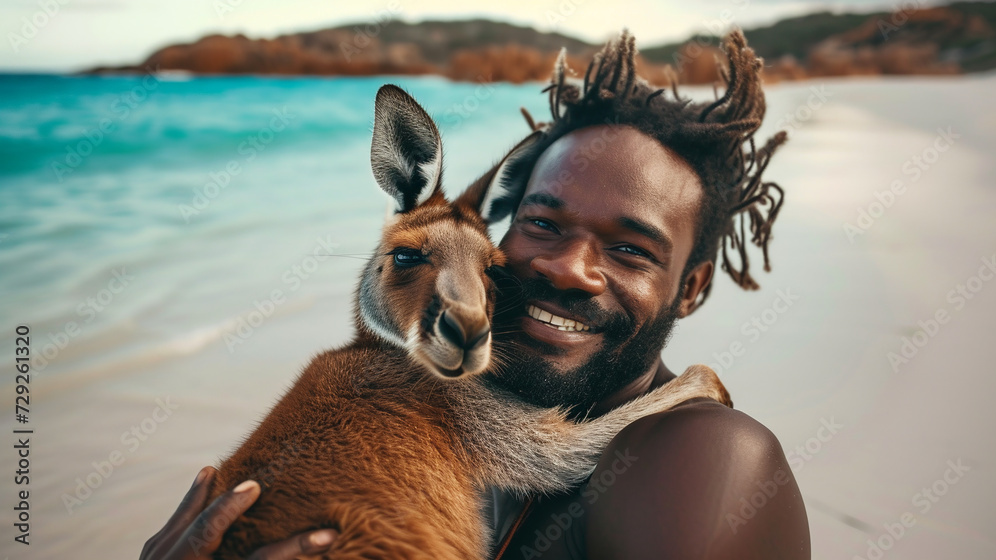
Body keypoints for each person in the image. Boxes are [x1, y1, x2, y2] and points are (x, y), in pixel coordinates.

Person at [140, 29, 809, 560]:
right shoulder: (451, 403)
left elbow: (548, 455)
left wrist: (686, 389)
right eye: (542, 224)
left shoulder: (705, 455)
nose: (567, 268)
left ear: (690, 288)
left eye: (630, 249)